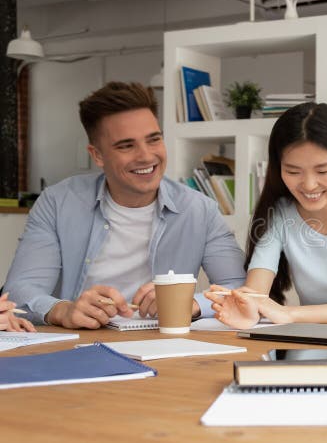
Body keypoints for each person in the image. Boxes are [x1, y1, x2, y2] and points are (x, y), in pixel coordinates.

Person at [4, 82, 246, 329]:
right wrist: (63, 310)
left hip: (164, 345)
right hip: (80, 343)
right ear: (97, 155)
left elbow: (239, 287)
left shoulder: (200, 209)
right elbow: (20, 290)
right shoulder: (57, 202)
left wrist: (189, 304)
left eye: (154, 140)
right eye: (126, 146)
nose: (146, 156)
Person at [206, 102, 327, 328]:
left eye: (323, 171)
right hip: (308, 345)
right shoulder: (281, 210)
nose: (309, 185)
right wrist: (247, 309)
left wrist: (291, 314)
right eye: (293, 171)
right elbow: (255, 294)